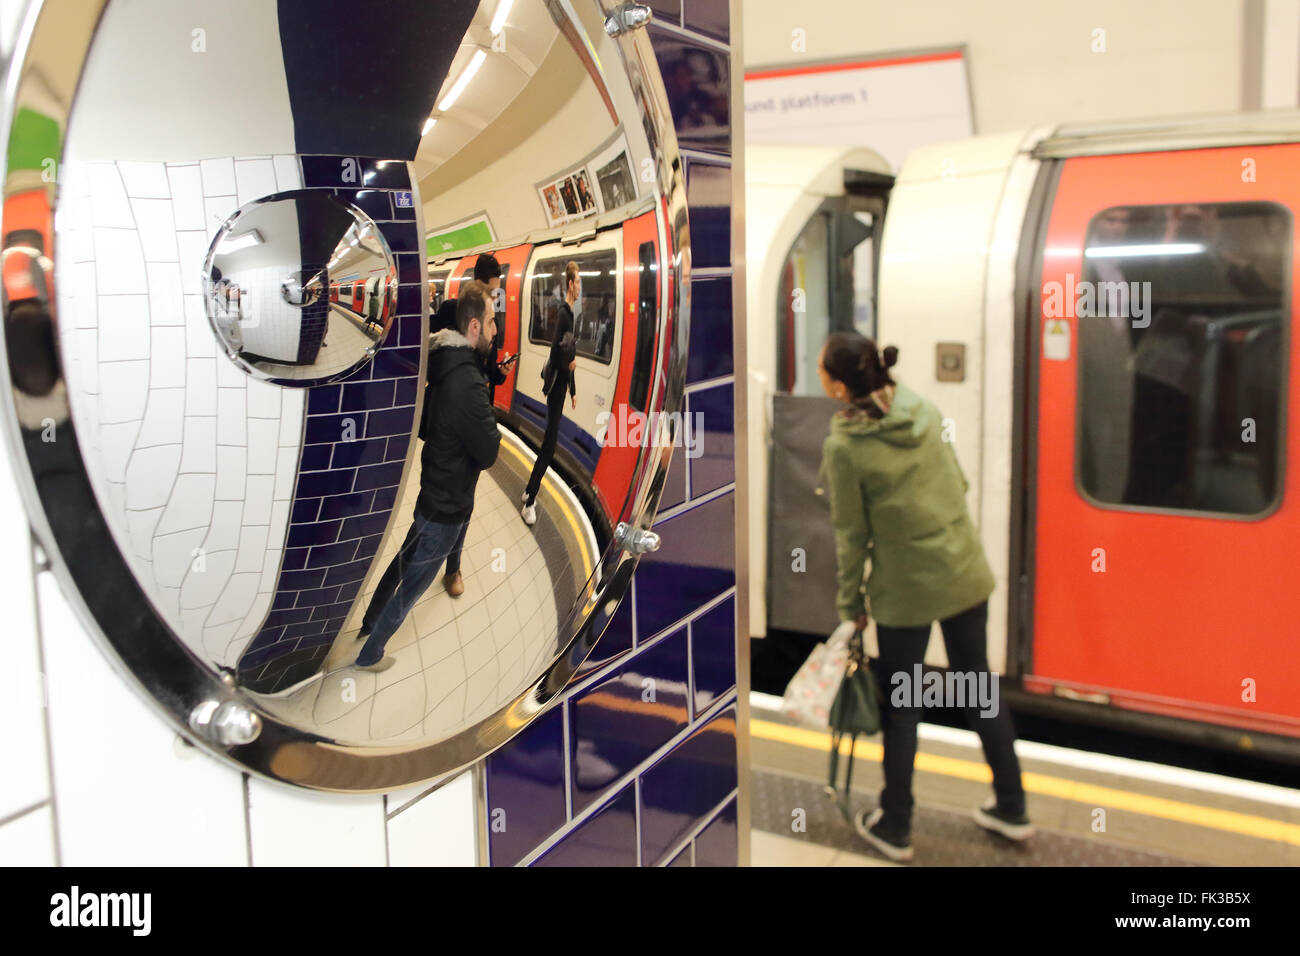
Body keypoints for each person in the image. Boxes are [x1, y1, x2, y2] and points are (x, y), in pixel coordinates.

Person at [817, 331, 1032, 862]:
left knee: (905, 706)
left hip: (906, 590)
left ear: (841, 388)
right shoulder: (923, 409)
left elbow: (851, 537)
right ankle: (1012, 807)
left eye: (823, 372)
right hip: (963, 572)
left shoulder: (844, 447)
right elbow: (957, 484)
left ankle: (896, 826)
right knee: (978, 686)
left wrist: (851, 607)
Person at [353, 281, 500, 672]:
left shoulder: (445, 364)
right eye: (490, 322)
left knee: (403, 561)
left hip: (431, 488)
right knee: (414, 584)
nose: (495, 330)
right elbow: (489, 451)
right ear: (473, 327)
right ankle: (371, 654)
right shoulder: (468, 383)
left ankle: (368, 624)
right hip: (449, 503)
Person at [441, 254, 516, 597]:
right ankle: (444, 559)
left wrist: (497, 374)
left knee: (466, 493)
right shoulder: (453, 312)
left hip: (477, 408)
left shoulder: (490, 321)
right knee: (450, 486)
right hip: (455, 410)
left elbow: (487, 365)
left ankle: (451, 566)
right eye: (491, 291)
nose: (494, 300)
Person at [521, 261, 579, 526]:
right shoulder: (565, 314)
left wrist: (574, 389)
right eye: (578, 282)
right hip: (556, 388)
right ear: (570, 284)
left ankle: (527, 491)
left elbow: (570, 353)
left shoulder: (570, 313)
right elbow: (559, 353)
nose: (580, 287)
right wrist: (568, 369)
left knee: (548, 443)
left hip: (561, 387)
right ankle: (530, 500)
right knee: (549, 446)